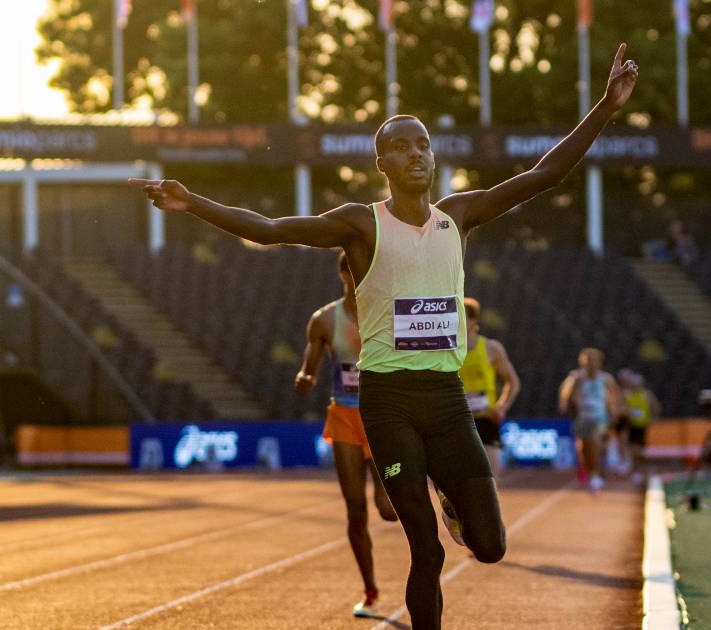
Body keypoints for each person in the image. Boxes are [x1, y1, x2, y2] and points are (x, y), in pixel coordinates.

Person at [129, 43, 638, 629]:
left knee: (492, 546)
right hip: (388, 400)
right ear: (383, 165)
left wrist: (604, 107)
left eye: (423, 143)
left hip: (446, 400)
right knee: (427, 550)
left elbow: (545, 174)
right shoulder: (361, 224)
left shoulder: (459, 217)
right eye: (401, 146)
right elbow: (270, 230)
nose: (416, 153)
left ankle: (453, 498)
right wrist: (192, 204)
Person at [296, 252, 398, 618]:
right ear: (342, 273)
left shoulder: (387, 311)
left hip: (383, 417)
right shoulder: (324, 320)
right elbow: (308, 368)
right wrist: (304, 380)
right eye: (353, 269)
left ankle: (434, 502)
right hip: (344, 417)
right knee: (356, 511)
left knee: (388, 510)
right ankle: (370, 590)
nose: (361, 275)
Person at [458, 297, 521, 482]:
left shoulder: (491, 348)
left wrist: (502, 405)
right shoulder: (448, 349)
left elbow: (513, 381)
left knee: (492, 481)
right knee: (459, 484)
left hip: (485, 420)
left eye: (462, 317)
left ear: (473, 321)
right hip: (457, 421)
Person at [558, 348, 624, 492]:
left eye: (594, 361)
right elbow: (566, 395)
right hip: (583, 418)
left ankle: (596, 475)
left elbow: (617, 397)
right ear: (582, 363)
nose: (591, 365)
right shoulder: (576, 378)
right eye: (588, 361)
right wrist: (565, 404)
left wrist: (615, 412)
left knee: (595, 442)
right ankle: (591, 471)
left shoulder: (605, 379)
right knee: (583, 447)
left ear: (599, 363)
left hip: (600, 417)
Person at [618, 369, 660, 482]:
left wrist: (653, 418)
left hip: (642, 426)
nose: (635, 386)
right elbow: (621, 408)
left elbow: (655, 406)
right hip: (631, 426)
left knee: (640, 451)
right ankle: (633, 470)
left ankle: (637, 470)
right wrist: (627, 413)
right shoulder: (627, 395)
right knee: (632, 449)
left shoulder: (646, 395)